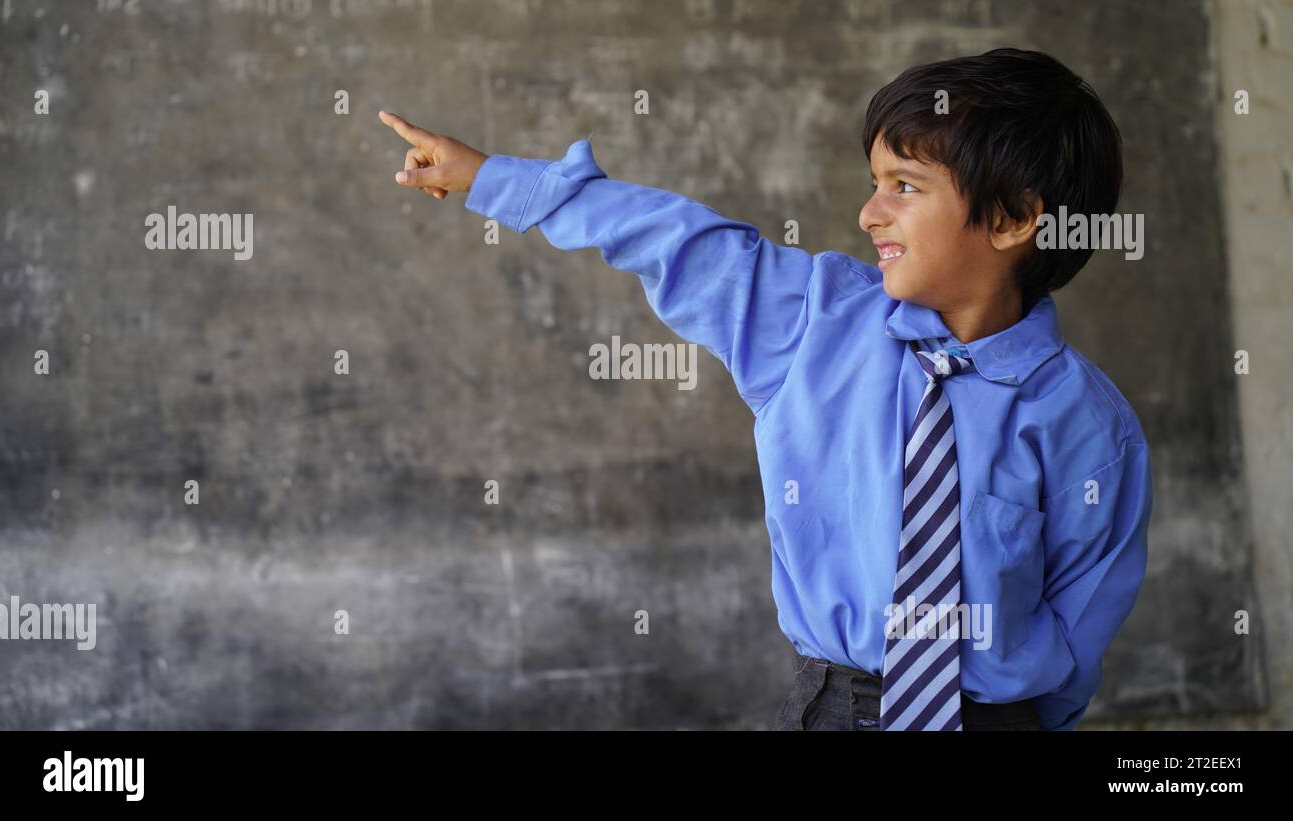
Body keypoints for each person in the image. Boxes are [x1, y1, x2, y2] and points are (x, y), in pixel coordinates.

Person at [378, 47, 1152, 732]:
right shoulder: (812, 322)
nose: (869, 212)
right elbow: (674, 239)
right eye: (874, 182)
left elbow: (1081, 624)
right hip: (832, 709)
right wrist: (492, 179)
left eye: (905, 187)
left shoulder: (1090, 425)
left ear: (1015, 218)